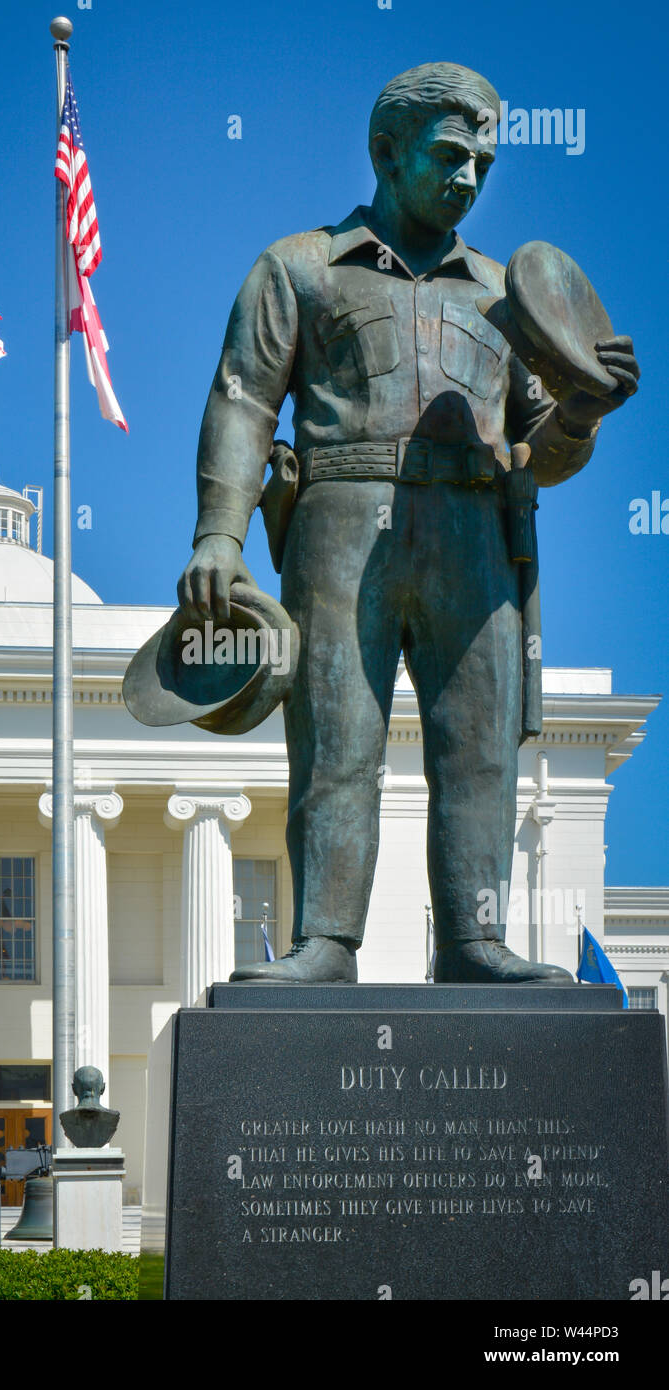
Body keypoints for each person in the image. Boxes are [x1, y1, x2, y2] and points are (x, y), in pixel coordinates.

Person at [177, 62, 639, 983]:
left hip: (476, 531)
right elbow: (241, 400)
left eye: (485, 163)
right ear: (386, 154)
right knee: (337, 742)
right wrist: (219, 536)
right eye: (450, 154)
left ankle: (474, 941)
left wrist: (584, 409)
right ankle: (326, 943)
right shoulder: (298, 268)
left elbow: (540, 447)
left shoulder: (509, 298)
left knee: (477, 751)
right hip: (339, 527)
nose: (469, 177)